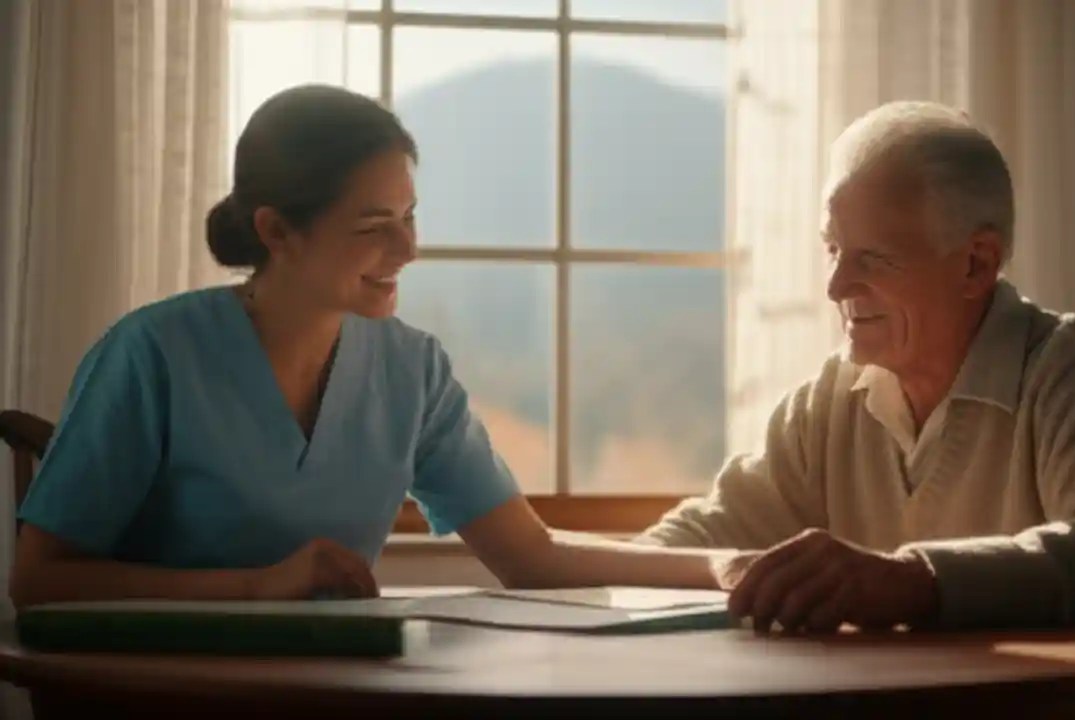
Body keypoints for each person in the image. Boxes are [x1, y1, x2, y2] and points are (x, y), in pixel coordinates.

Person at [10, 85, 731, 609]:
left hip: (336, 690)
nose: (409, 249)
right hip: (155, 698)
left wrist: (729, 568)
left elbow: (532, 555)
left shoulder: (411, 371)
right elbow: (39, 582)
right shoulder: (152, 354)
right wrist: (259, 587)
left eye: (411, 216)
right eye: (374, 224)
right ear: (277, 231)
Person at [640, 101, 1075, 633]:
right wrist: (568, 562)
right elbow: (712, 532)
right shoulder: (829, 400)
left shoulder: (1074, 375)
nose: (835, 287)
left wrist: (911, 581)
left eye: (872, 259)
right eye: (833, 250)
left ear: (976, 264)